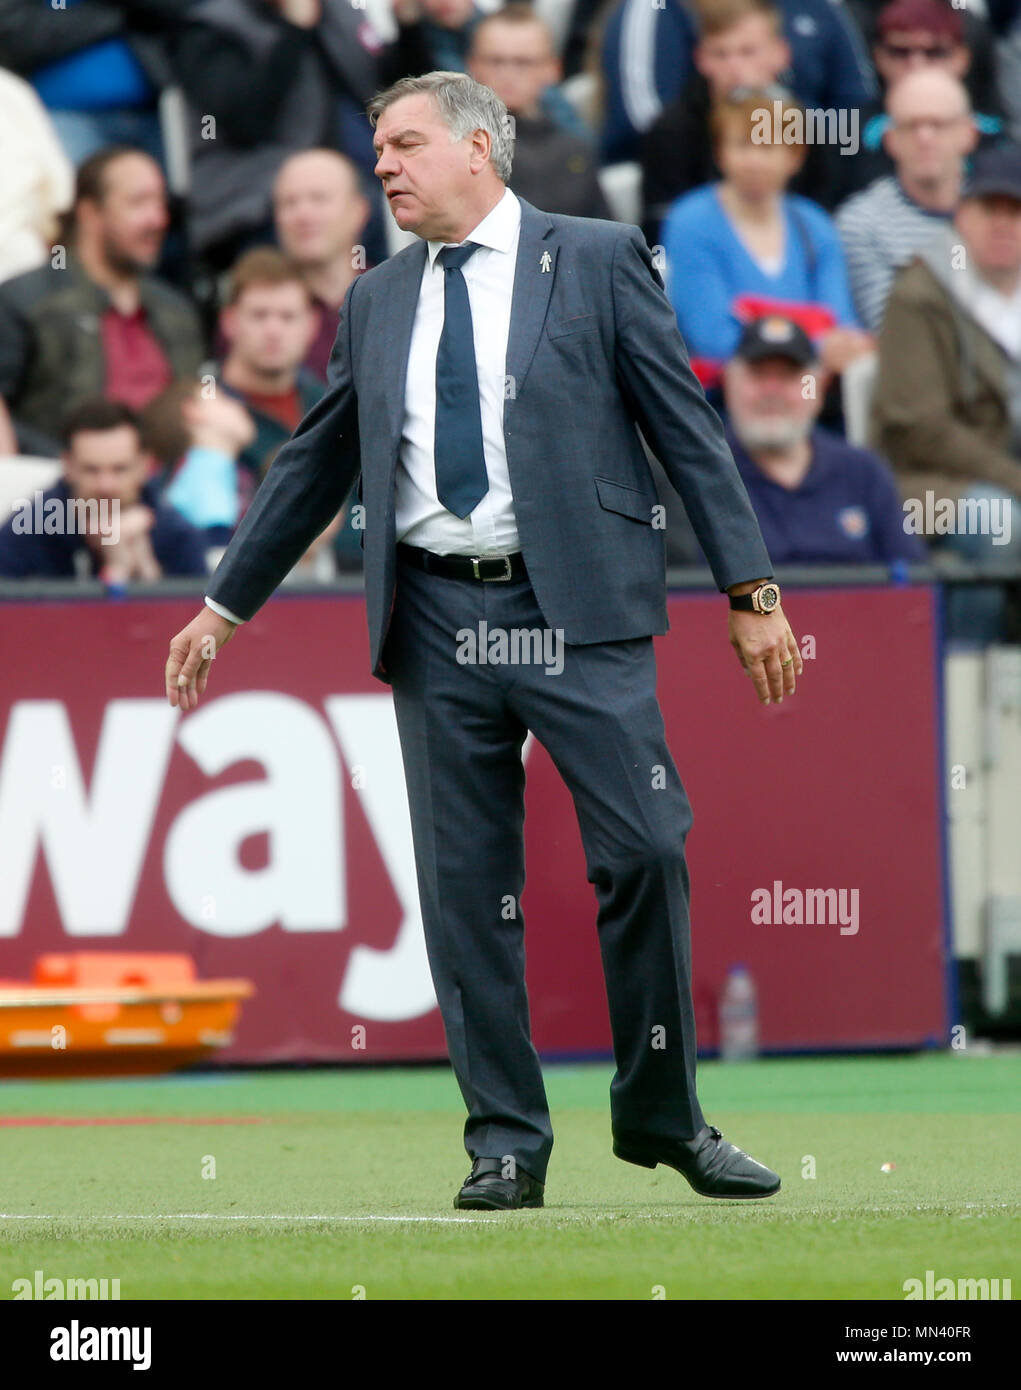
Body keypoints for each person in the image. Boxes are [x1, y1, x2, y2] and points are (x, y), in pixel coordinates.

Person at [165, 71, 799, 1211]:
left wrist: (750, 589)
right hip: (436, 618)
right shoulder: (374, 298)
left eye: (404, 146)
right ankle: (504, 1142)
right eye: (376, 153)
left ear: (477, 149)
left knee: (647, 848)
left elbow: (686, 431)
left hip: (579, 612)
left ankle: (662, 1118)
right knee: (466, 892)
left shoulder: (600, 257)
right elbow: (314, 458)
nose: (384, 170)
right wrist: (225, 605)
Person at [871, 141, 1021, 640]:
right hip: (923, 483)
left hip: (1004, 474)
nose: (1003, 223)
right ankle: (962, 685)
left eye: (1015, 209)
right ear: (962, 213)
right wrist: (1014, 480)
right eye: (989, 208)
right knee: (995, 519)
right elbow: (918, 427)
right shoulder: (922, 290)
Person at [0, 145, 205, 456]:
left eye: (160, 203)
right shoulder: (25, 300)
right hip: (62, 493)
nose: (158, 219)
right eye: (138, 203)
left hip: (167, 495)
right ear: (90, 213)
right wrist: (71, 469)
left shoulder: (176, 310)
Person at [661, 89, 872, 385]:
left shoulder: (815, 224)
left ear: (795, 156)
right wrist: (815, 346)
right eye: (744, 145)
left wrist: (834, 346)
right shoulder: (691, 222)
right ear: (721, 153)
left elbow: (839, 322)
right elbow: (711, 338)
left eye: (769, 146)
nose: (755, 161)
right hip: (723, 403)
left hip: (812, 396)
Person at [721, 315, 926, 563]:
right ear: (730, 384)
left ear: (817, 389)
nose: (772, 390)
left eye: (788, 376)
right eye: (758, 375)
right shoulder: (701, 477)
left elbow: (915, 582)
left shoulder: (863, 473)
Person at [0, 397, 207, 580]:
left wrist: (144, 571)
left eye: (119, 469)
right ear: (68, 465)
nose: (106, 485)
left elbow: (194, 616)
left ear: (144, 466)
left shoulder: (176, 535)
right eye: (91, 470)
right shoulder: (27, 531)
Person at [835, 68, 977, 332]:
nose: (924, 138)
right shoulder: (862, 223)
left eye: (938, 124)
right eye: (911, 126)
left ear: (969, 134)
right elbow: (893, 329)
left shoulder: (1002, 213)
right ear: (890, 140)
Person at [466, 4, 611, 220]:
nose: (508, 74)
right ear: (473, 66)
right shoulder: (458, 149)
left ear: (553, 69)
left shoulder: (576, 150)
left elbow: (605, 238)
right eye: (495, 61)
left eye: (523, 62)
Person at [272, 149, 372, 384]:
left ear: (359, 211)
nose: (303, 214)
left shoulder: (396, 295)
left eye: (319, 198)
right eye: (289, 202)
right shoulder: (257, 306)